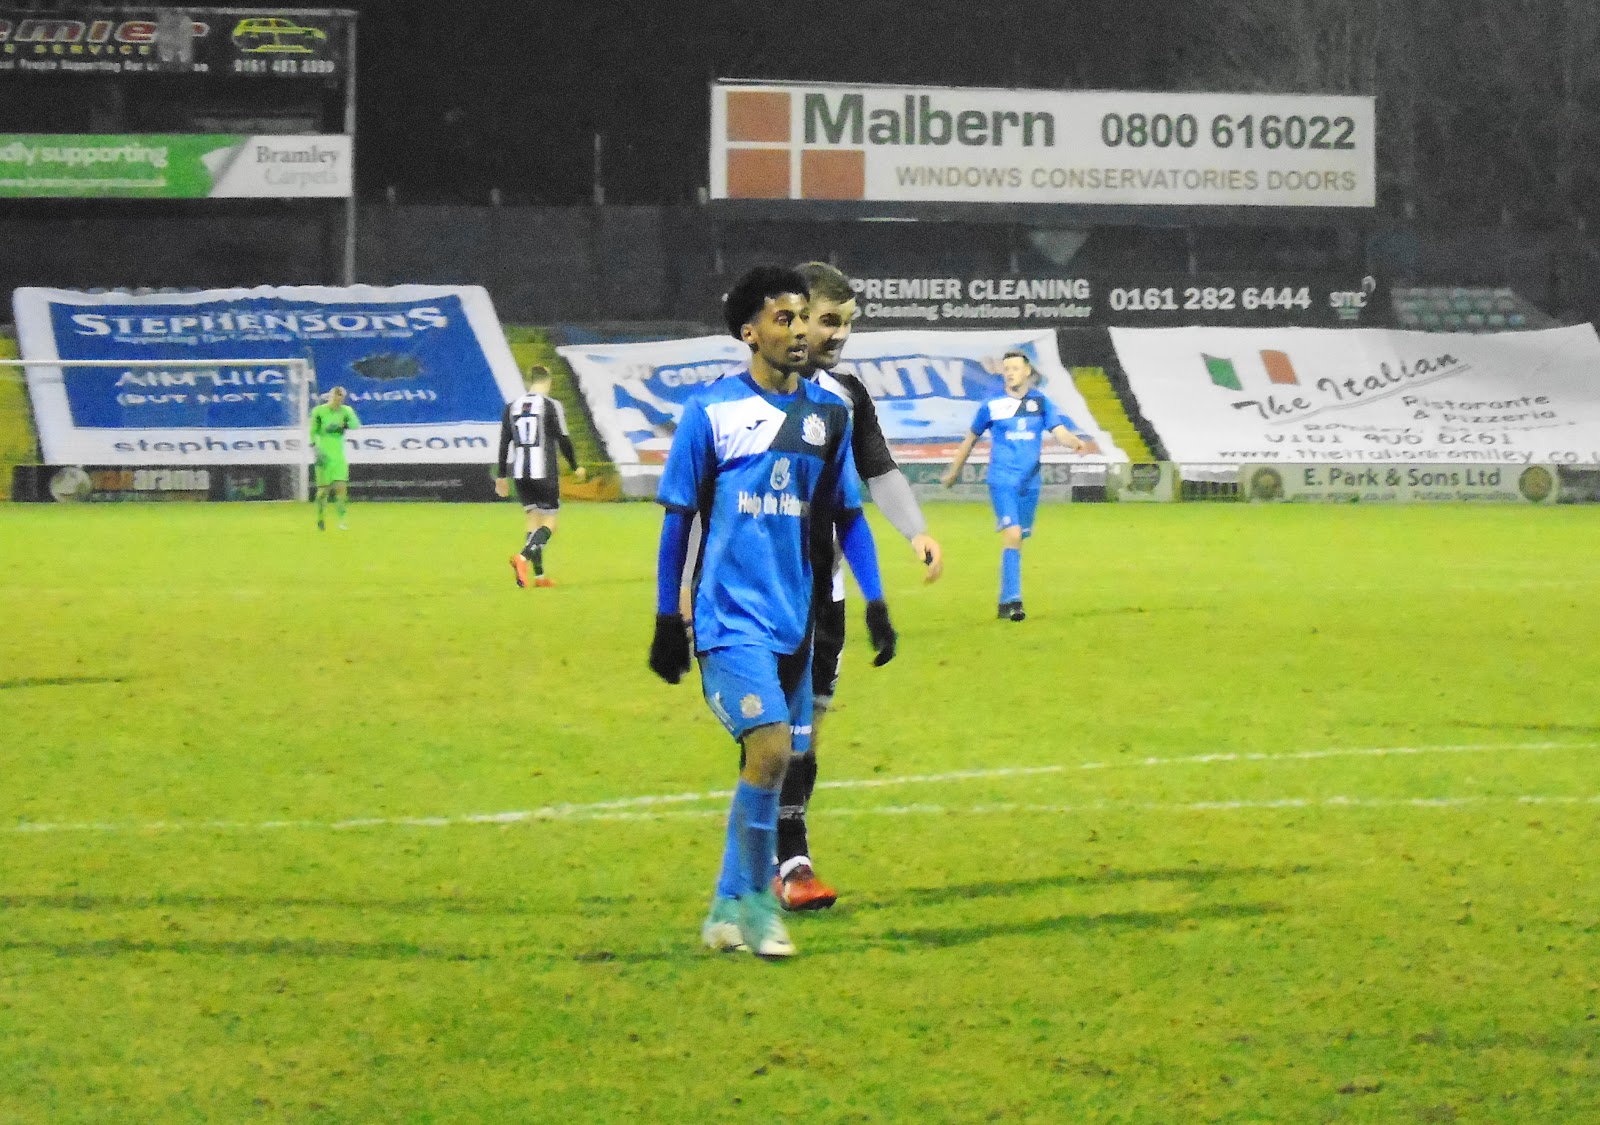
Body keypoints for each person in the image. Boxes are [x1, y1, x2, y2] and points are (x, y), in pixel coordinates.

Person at [649, 265, 897, 960]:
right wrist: (667, 618)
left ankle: (726, 908)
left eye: (800, 318)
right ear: (748, 332)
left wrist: (876, 600)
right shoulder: (710, 413)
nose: (796, 331)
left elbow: (848, 515)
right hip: (728, 620)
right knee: (769, 749)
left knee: (775, 762)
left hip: (796, 620)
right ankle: (758, 907)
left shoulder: (829, 417)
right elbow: (677, 521)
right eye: (782, 319)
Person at [770, 260, 944, 913]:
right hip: (761, 593)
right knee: (774, 733)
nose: (838, 334)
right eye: (827, 320)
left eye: (846, 323)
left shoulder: (845, 396)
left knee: (808, 729)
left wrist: (915, 534)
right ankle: (783, 863)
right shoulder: (749, 396)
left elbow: (877, 471)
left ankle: (786, 857)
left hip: (826, 592)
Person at [940, 350, 1092, 621]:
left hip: (1030, 482)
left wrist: (1075, 442)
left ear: (1027, 371)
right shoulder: (992, 405)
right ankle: (1014, 601)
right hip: (1002, 479)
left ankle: (1003, 602)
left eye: (1015, 368)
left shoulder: (1041, 402)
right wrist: (954, 472)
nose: (1010, 373)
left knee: (1018, 538)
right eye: (1006, 369)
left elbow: (1058, 431)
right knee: (1011, 534)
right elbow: (970, 439)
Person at [495, 365, 586, 587]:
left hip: (520, 473)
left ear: (529, 381)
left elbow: (504, 442)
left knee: (533, 521)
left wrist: (501, 476)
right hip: (543, 471)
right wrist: (575, 466)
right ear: (548, 381)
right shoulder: (551, 405)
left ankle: (539, 577)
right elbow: (563, 439)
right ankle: (522, 557)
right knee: (550, 522)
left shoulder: (511, 406)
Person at [308, 385, 360, 530]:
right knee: (322, 491)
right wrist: (315, 449)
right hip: (323, 455)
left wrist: (343, 425)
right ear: (330, 397)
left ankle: (342, 520)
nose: (338, 401)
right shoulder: (319, 411)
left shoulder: (346, 411)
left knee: (341, 488)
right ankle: (320, 517)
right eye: (336, 397)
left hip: (338, 456)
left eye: (341, 398)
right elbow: (312, 432)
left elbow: (356, 424)